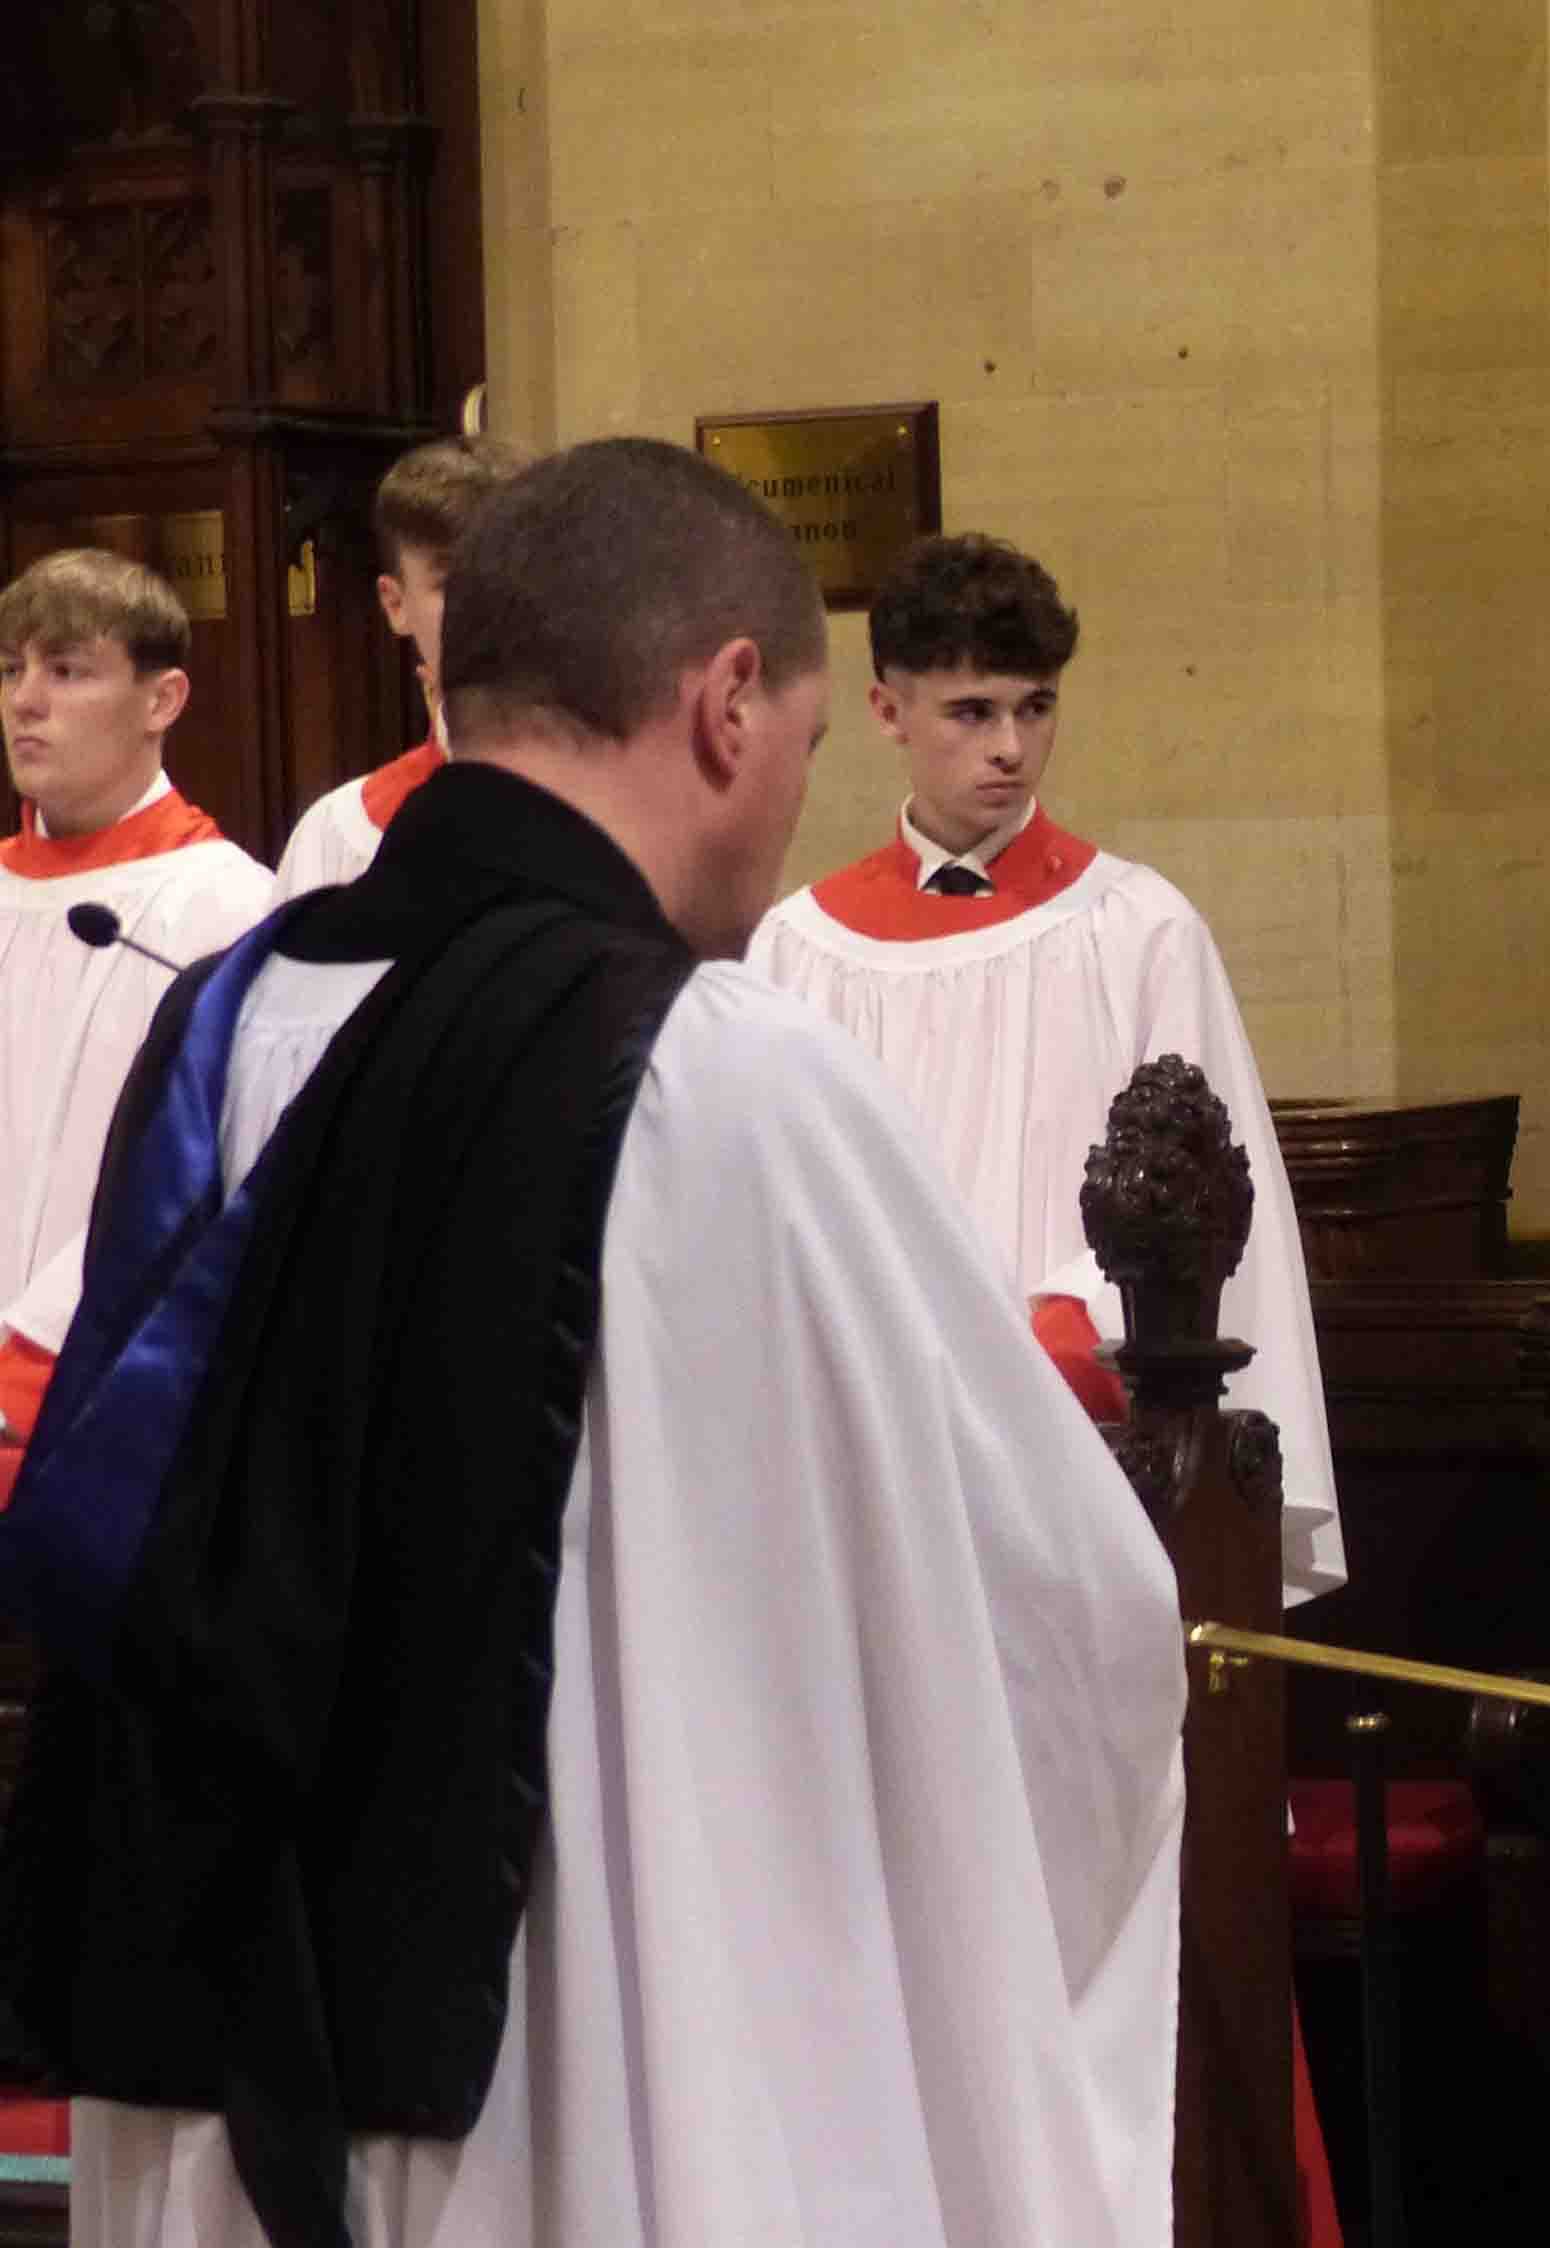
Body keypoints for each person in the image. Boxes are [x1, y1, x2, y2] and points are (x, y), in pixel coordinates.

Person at [0, 439, 1188, 2247]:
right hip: (590, 2085)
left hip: (222, 2080)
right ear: (727, 705)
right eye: (796, 747)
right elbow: (1059, 1623)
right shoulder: (736, 1076)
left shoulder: (227, 1023)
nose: (788, 807)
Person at [746, 532, 1340, 1591]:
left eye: (1036, 705)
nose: (1010, 747)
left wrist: (1062, 1333)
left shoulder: (1138, 929)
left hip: (1091, 1426)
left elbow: (1207, 1196)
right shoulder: (802, 947)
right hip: (870, 1435)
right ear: (887, 711)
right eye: (972, 712)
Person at [0, 550, 276, 1496]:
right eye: (11, 668)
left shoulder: (227, 910)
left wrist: (29, 1359)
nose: (26, 700)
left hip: (110, 1424)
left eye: (67, 670)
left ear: (162, 700)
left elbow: (201, 1186)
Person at [270, 433, 540, 897]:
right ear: (396, 604)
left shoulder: (636, 814)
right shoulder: (343, 836)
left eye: (513, 572)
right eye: (452, 581)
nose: (489, 604)